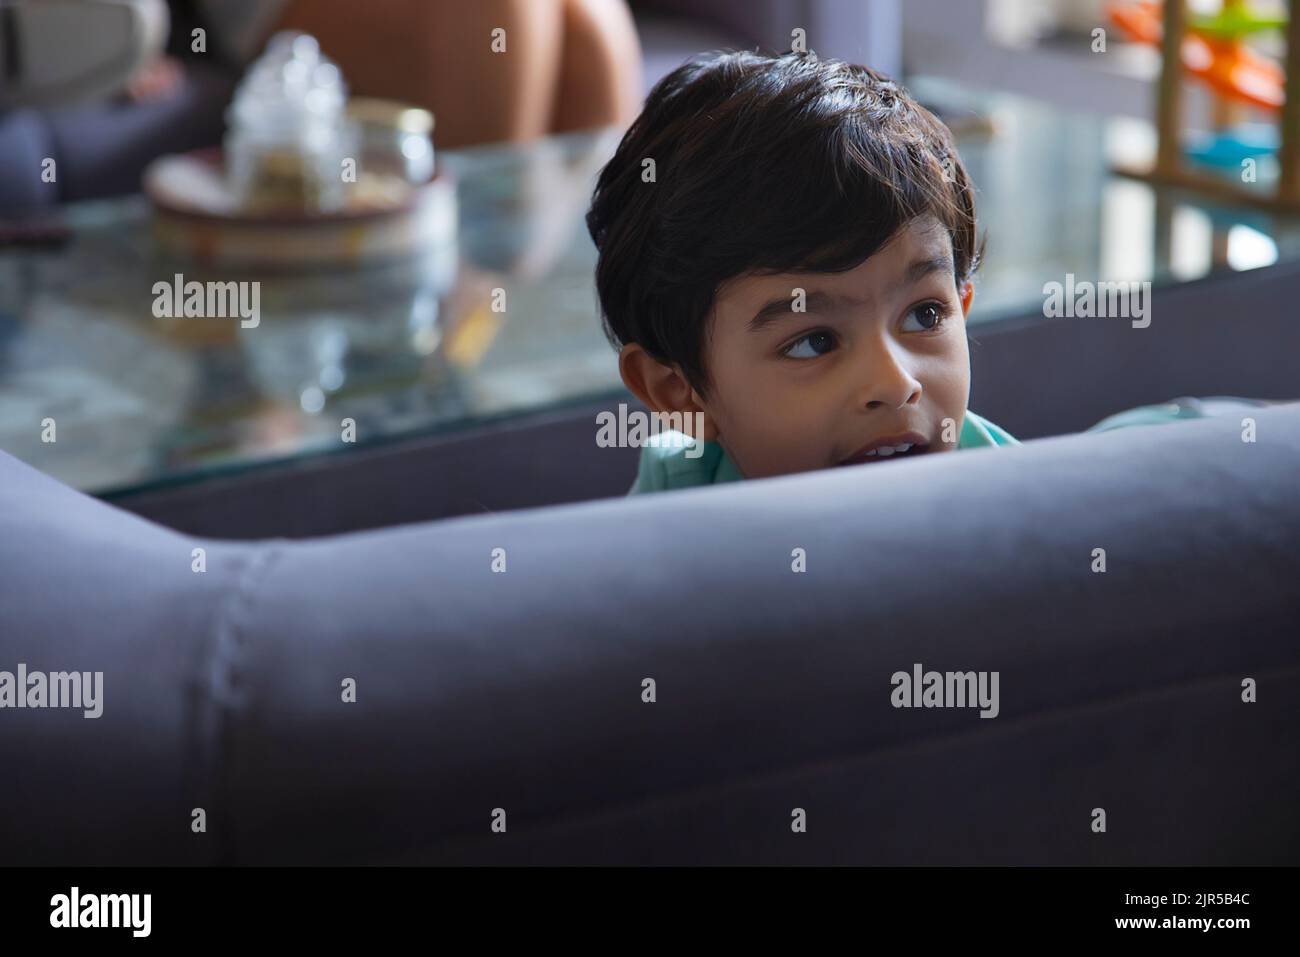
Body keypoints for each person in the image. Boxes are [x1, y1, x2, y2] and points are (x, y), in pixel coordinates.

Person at [586, 51, 1018, 494]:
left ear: (961, 308)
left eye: (924, 315)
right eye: (815, 343)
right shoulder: (676, 493)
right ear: (679, 393)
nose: (895, 384)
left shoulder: (1015, 514)